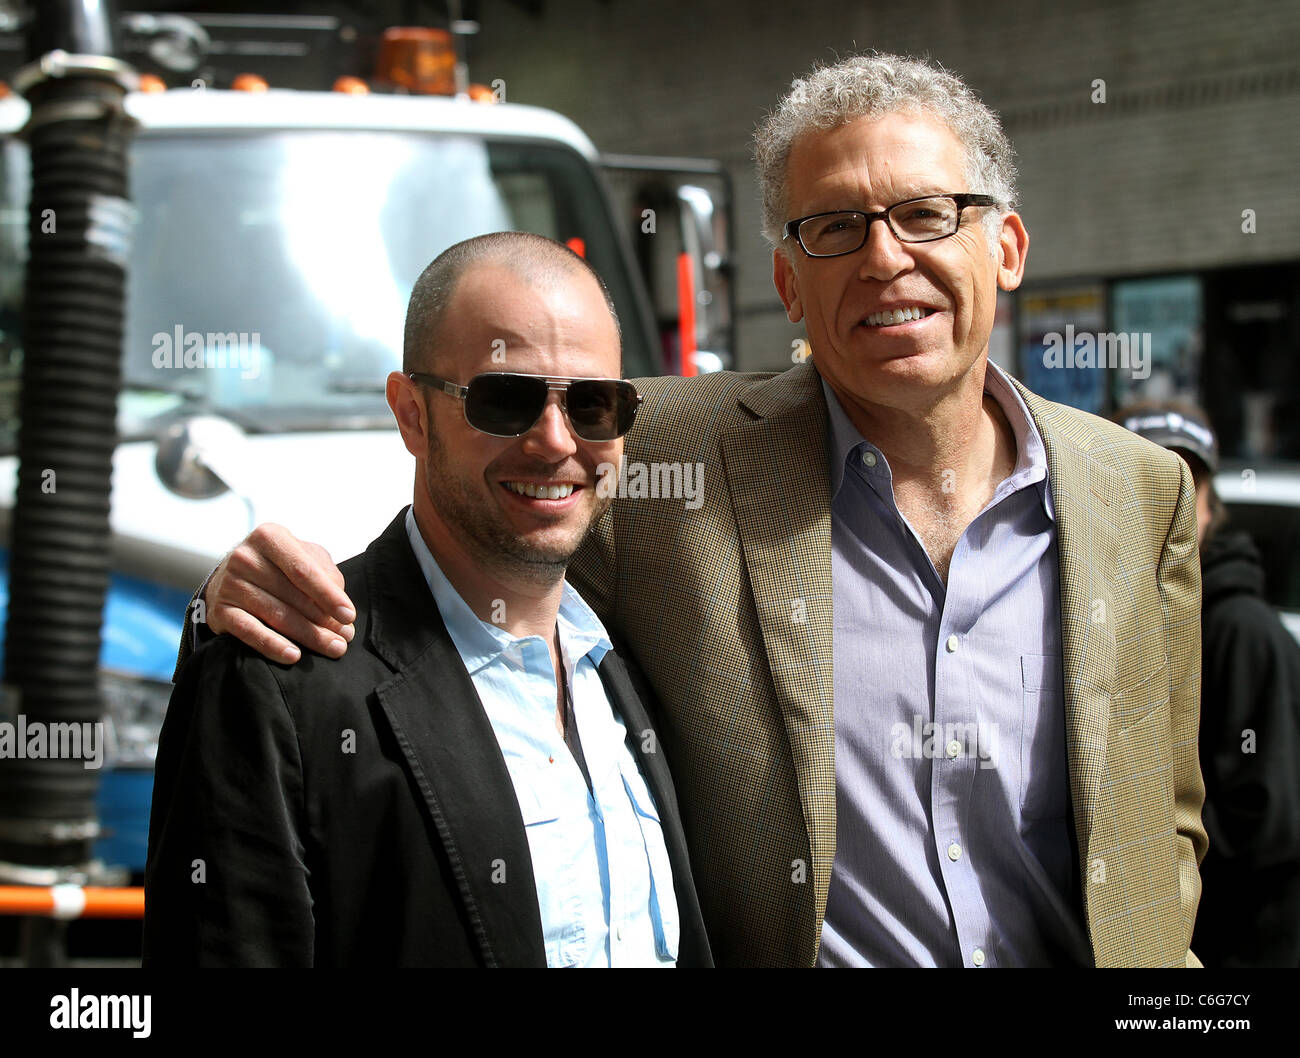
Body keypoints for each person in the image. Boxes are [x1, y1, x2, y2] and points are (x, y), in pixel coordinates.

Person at [179, 54, 1206, 968]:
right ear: (788, 286)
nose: (883, 258)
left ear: (1008, 247)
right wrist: (239, 596)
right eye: (834, 226)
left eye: (926, 213)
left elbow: (1163, 810)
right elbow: (473, 514)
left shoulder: (1134, 489)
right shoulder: (654, 445)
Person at [143, 232, 712, 967]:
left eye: (594, 404)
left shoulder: (638, 659)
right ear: (412, 412)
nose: (554, 440)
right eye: (505, 399)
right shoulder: (279, 679)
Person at [1119, 401, 1300, 967]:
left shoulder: (1241, 630)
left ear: (1208, 505)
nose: (1166, 505)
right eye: (1145, 479)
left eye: (1181, 483)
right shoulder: (1110, 618)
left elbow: (1267, 822)